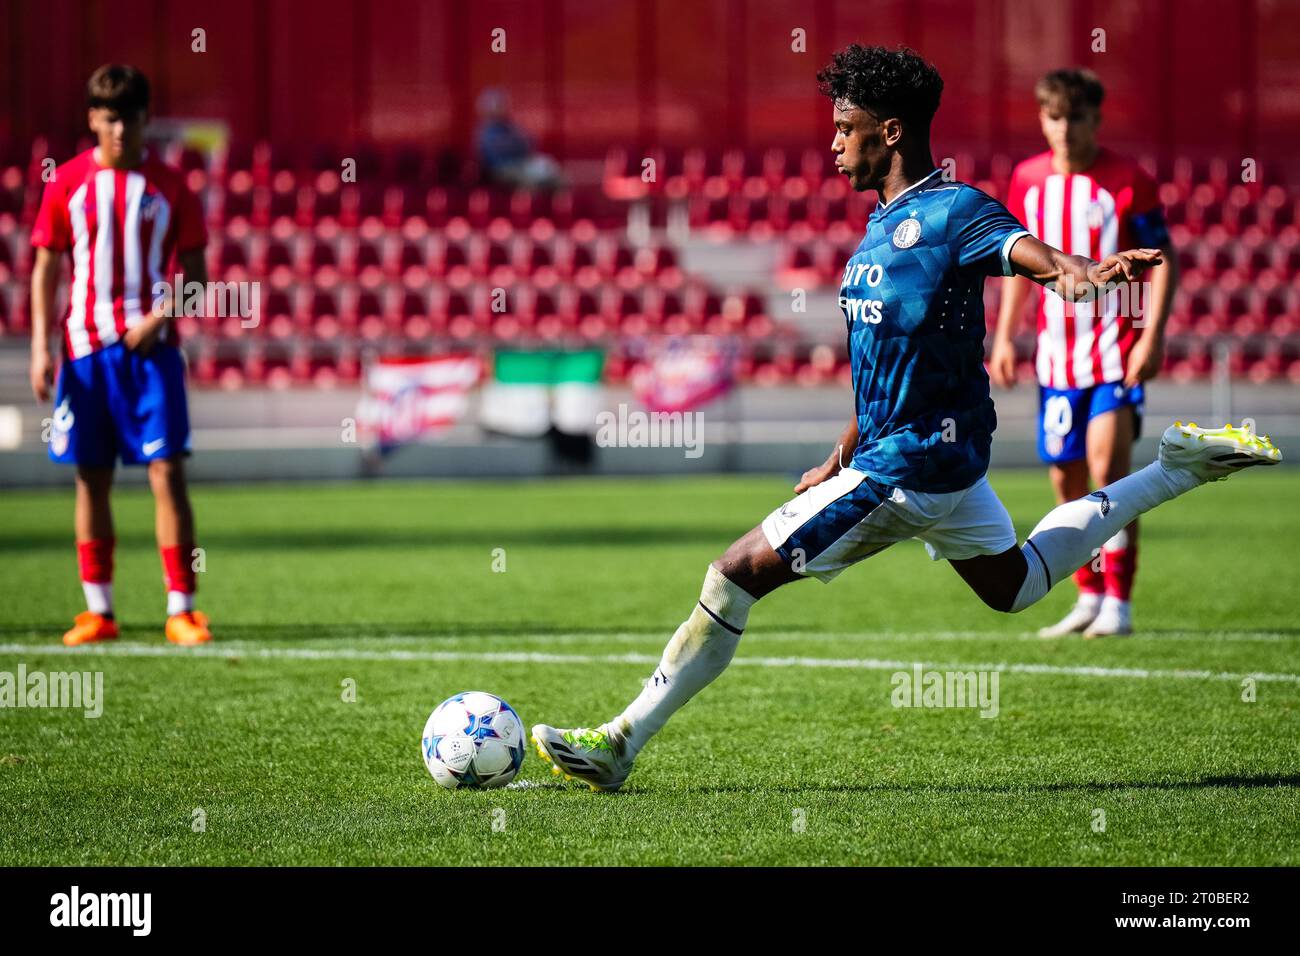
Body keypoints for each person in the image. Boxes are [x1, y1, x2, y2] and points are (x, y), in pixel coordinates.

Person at [528, 45, 1278, 792]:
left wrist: (1083, 273)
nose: (832, 145)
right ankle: (1175, 468)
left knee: (730, 578)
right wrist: (837, 454)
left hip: (913, 466)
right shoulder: (879, 228)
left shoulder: (956, 211)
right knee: (1014, 584)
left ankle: (622, 742)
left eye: (843, 128)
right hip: (922, 456)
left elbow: (1035, 255)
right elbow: (883, 368)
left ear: (889, 131)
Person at [990, 68, 1179, 637]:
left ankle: (1119, 602)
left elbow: (1164, 259)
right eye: (1054, 117)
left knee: (1107, 470)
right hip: (1055, 358)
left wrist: (1152, 335)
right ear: (1042, 120)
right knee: (1067, 481)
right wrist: (1004, 335)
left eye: (1076, 117)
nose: (1065, 129)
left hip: (1115, 351)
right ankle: (1089, 594)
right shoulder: (1027, 180)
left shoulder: (1129, 179)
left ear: (1097, 119)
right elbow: (1021, 267)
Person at [29, 64, 213, 646]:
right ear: (92, 120)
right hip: (83, 354)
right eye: (109, 120)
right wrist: (40, 346)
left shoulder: (171, 187)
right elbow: (45, 268)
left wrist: (159, 319)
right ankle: (98, 611)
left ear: (144, 121)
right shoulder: (67, 184)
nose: (120, 131)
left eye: (130, 120)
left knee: (168, 473)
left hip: (152, 357)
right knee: (91, 478)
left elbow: (199, 275)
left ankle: (181, 608)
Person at [474, 88, 564, 189]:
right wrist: (513, 145)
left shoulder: (511, 127)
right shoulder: (485, 132)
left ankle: (558, 202)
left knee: (553, 173)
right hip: (502, 170)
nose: (501, 109)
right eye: (497, 106)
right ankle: (528, 203)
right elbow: (494, 154)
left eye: (502, 105)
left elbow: (530, 142)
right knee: (533, 182)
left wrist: (514, 144)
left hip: (522, 164)